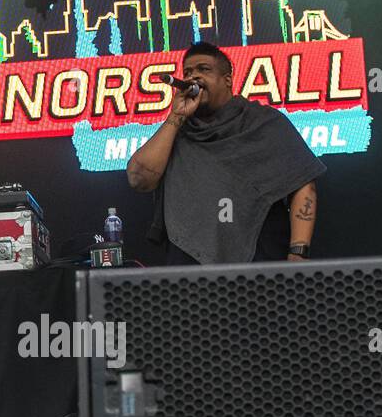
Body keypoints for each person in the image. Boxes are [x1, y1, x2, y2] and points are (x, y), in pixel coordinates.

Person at [126, 42, 323, 264]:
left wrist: (298, 252)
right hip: (190, 264)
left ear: (227, 80)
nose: (194, 78)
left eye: (204, 69)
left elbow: (303, 185)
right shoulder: (177, 132)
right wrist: (176, 117)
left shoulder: (263, 123)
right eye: (188, 72)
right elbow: (139, 179)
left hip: (258, 258)